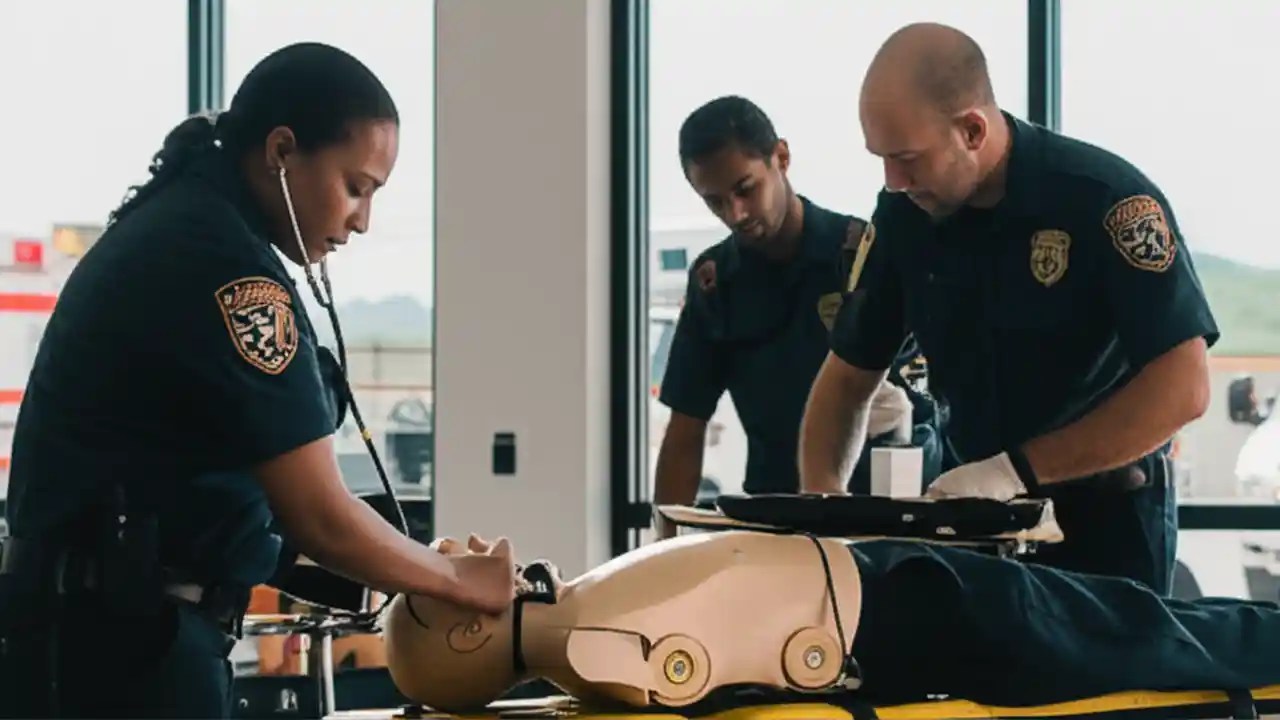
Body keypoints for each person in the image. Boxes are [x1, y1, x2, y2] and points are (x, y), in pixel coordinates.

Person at [0, 43, 512, 719]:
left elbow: (217, 486)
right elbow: (321, 517)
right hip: (124, 654)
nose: (363, 220)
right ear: (281, 151)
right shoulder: (226, 270)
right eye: (355, 186)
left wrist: (404, 559)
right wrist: (456, 582)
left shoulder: (187, 225)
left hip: (96, 632)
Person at [798, 23, 1218, 596]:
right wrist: (826, 513)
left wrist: (1013, 472)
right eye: (881, 160)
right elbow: (847, 379)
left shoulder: (1102, 199)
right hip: (973, 527)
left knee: (1101, 686)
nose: (893, 182)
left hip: (1105, 533)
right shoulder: (904, 219)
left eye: (907, 159)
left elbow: (1183, 387)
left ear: (972, 129)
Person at [381, 530, 1280, 713]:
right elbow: (683, 672)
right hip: (922, 615)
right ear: (466, 633)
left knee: (1160, 622)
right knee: (1161, 634)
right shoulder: (593, 643)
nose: (463, 544)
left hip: (897, 591)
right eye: (438, 575)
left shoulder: (583, 618)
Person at [654, 96, 944, 537]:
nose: (736, 213)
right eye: (714, 202)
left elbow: (922, 404)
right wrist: (661, 550)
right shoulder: (715, 284)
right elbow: (684, 431)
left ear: (781, 158)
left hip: (881, 517)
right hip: (775, 522)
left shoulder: (861, 255)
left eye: (745, 189)